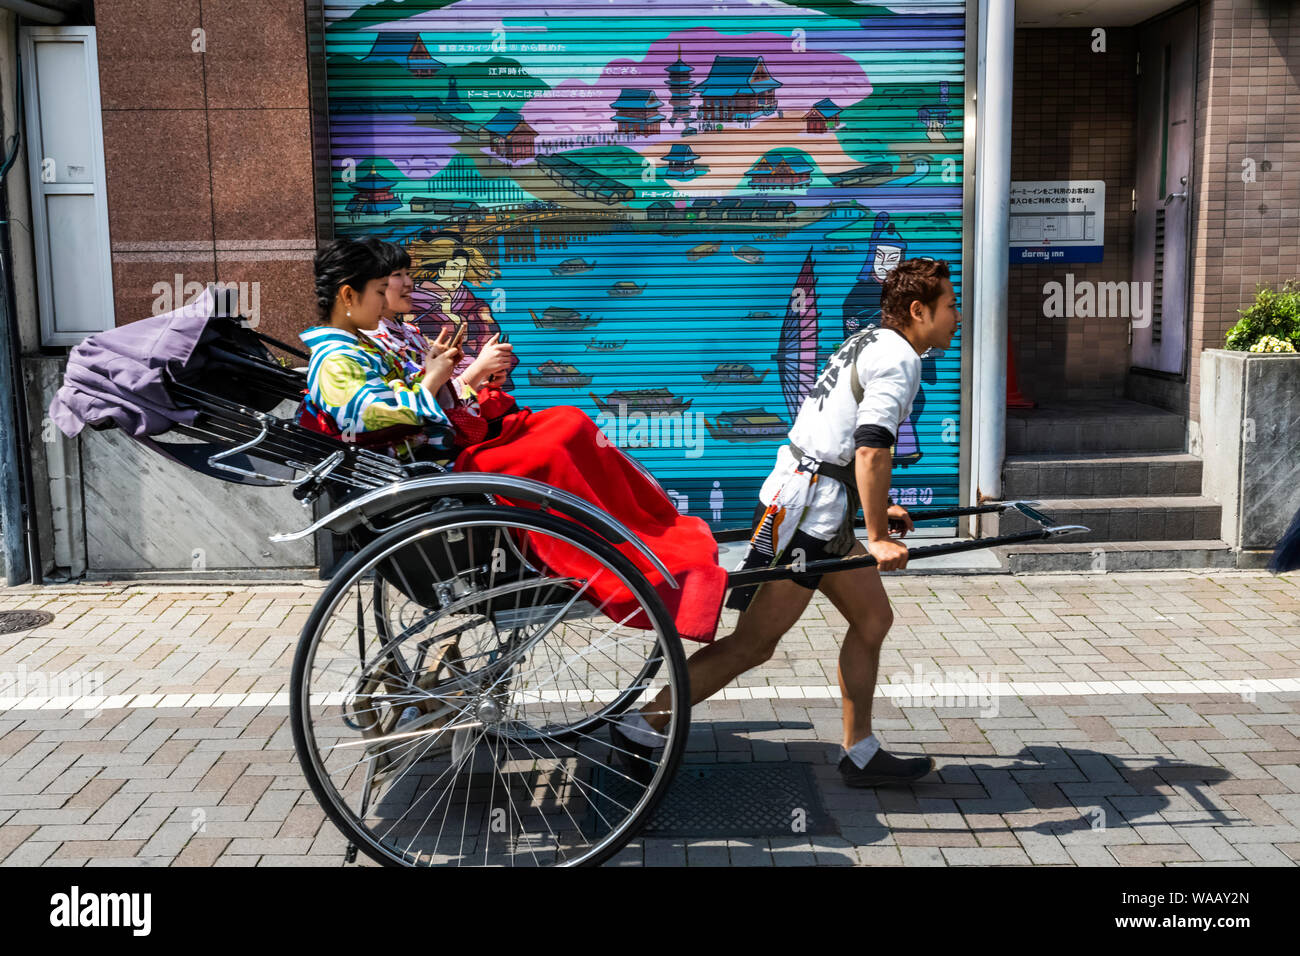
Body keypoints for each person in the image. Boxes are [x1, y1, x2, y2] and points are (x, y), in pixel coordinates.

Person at [612, 257, 962, 788]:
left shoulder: (870, 340)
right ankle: (641, 723)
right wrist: (878, 536)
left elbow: (834, 433)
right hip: (808, 515)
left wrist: (871, 508)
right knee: (754, 644)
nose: (956, 316)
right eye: (950, 306)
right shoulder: (899, 360)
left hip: (819, 499)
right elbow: (871, 449)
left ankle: (860, 752)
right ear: (919, 311)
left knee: (873, 620)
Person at [299, 238, 462, 460]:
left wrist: (432, 371)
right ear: (348, 296)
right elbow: (392, 418)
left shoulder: (358, 348)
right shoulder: (335, 360)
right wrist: (433, 378)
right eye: (379, 292)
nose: (384, 303)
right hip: (413, 470)